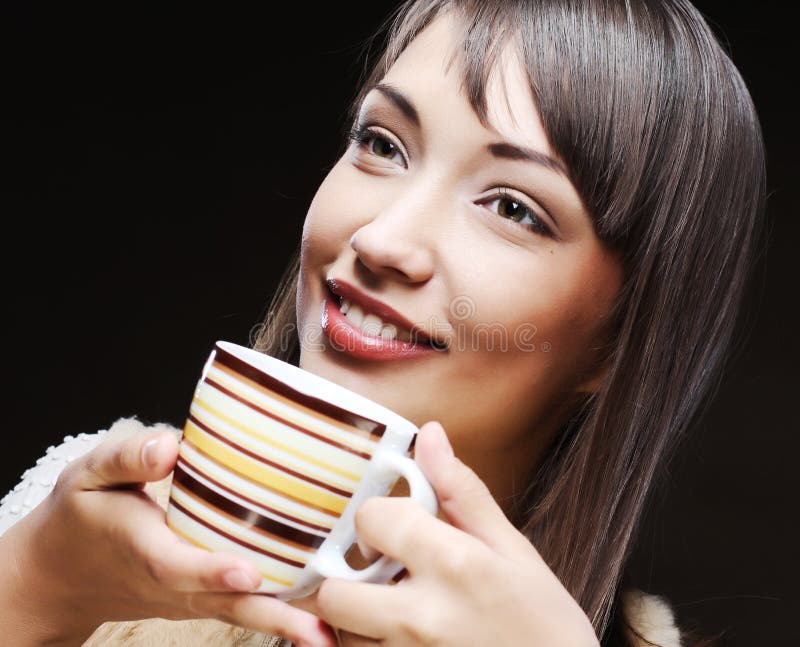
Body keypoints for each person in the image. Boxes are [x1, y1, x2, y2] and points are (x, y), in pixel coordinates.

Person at [0, 0, 766, 645]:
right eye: (382, 144)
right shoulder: (82, 534)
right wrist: (37, 587)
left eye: (513, 207)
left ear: (619, 342)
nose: (382, 240)